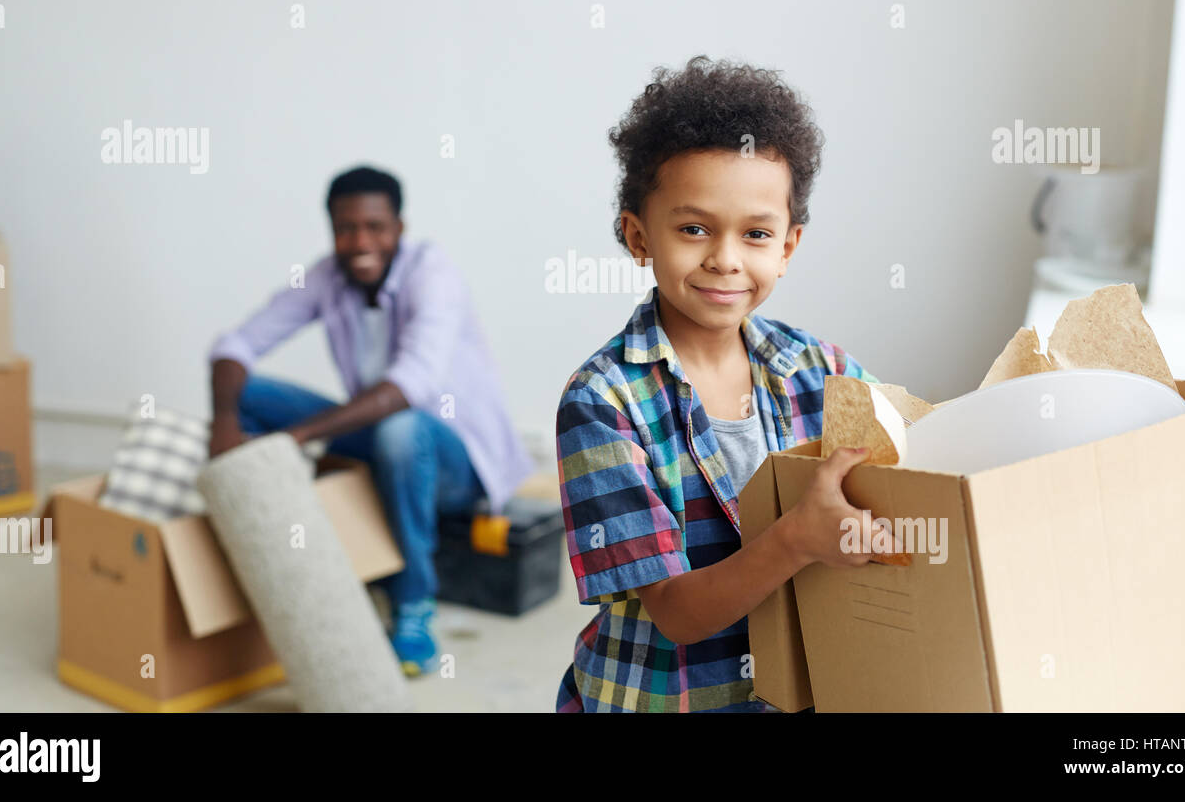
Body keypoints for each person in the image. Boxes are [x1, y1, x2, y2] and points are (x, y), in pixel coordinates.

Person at [555, 56, 900, 712]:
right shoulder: (602, 403)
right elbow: (678, 616)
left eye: (756, 234)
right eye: (693, 229)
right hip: (664, 699)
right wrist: (799, 536)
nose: (725, 258)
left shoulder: (821, 370)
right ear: (638, 236)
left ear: (788, 247)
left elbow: (918, 457)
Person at [208, 164, 534, 677]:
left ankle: (413, 603)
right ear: (332, 230)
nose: (360, 240)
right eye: (346, 228)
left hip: (457, 459)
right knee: (241, 388)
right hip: (378, 437)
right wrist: (224, 420)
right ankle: (283, 553)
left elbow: (412, 386)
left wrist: (300, 435)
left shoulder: (434, 273)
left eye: (374, 227)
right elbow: (235, 345)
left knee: (400, 430)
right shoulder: (327, 275)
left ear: (399, 229)